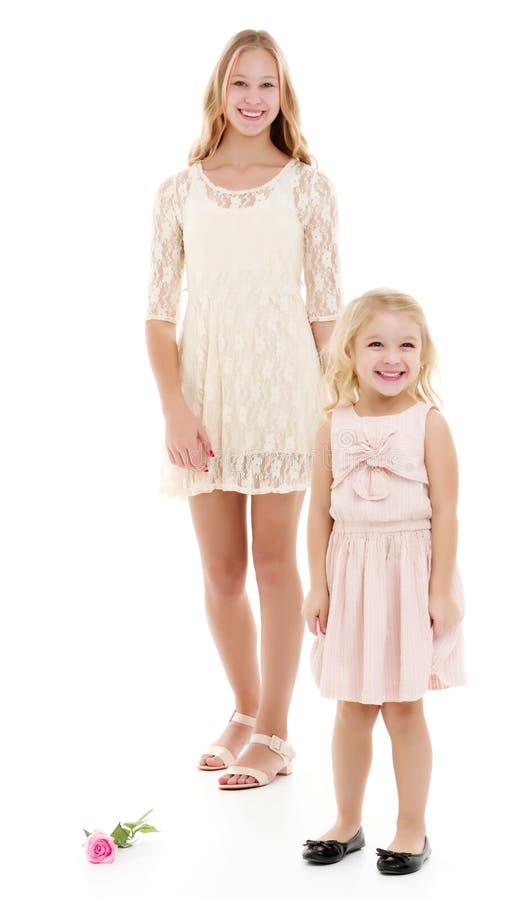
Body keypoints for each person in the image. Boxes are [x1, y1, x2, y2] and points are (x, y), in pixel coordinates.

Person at [144, 29, 343, 790]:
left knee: (272, 561)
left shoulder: (309, 188)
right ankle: (243, 705)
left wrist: (340, 409)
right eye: (240, 84)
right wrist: (174, 410)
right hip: (204, 398)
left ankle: (277, 734)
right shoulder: (179, 191)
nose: (254, 99)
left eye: (268, 85)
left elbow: (326, 311)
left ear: (283, 96)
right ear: (219, 94)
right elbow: (159, 316)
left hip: (285, 392)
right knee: (222, 570)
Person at [301, 289, 466, 873]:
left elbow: (445, 510)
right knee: (352, 705)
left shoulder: (429, 423)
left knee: (402, 708)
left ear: (423, 355)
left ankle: (412, 827)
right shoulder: (332, 425)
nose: (392, 356)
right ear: (349, 350)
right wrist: (317, 585)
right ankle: (346, 821)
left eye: (406, 344)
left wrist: (439, 589)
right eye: (376, 342)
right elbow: (319, 512)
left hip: (408, 572)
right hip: (350, 573)